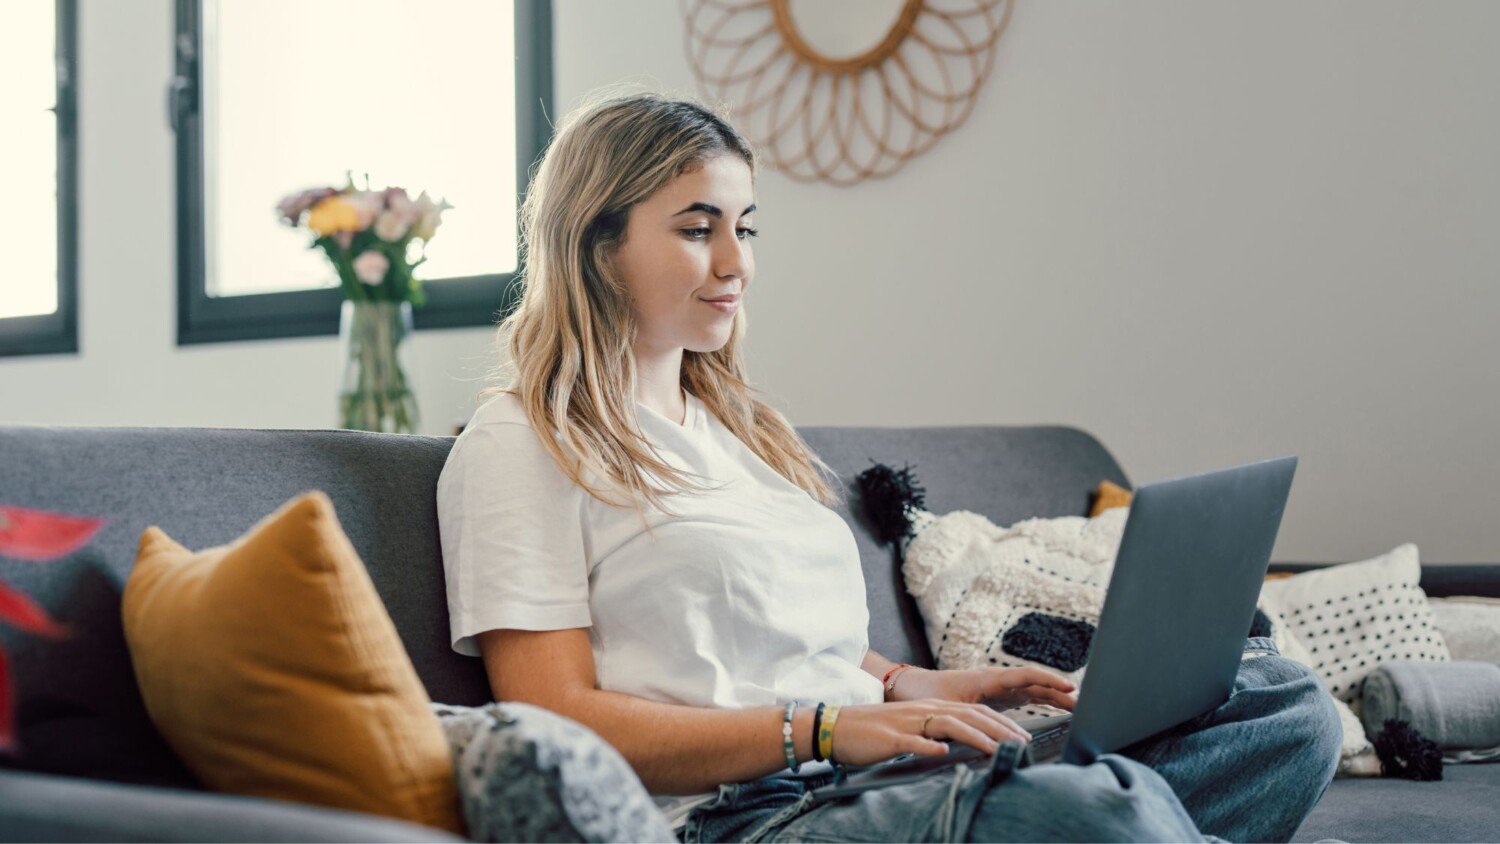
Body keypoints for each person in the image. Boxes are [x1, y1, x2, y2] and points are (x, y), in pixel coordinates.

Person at [435, 87, 1345, 843]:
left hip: (883, 770)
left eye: (745, 228)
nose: (736, 262)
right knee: (1093, 816)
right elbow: (558, 718)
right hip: (753, 811)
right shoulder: (523, 442)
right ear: (598, 245)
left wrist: (906, 684)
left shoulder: (740, 431)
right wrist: (825, 729)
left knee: (1284, 706)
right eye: (697, 228)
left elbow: (776, 631)